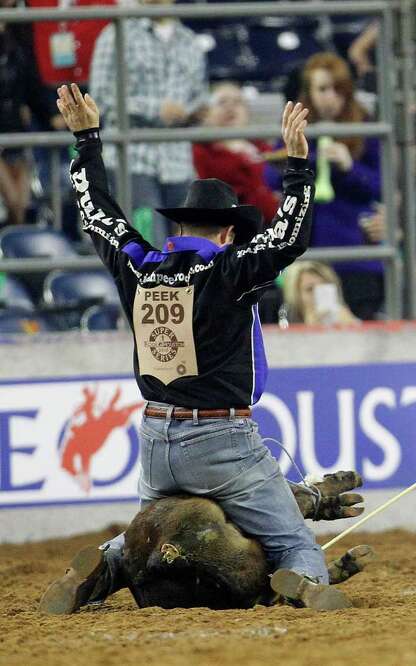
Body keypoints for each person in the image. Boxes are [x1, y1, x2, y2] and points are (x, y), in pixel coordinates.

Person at [42, 84, 351, 611]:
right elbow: (289, 239)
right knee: (293, 542)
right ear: (229, 232)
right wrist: (298, 168)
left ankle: (107, 563)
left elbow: (98, 216)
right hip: (221, 437)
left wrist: (86, 143)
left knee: (152, 530)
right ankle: (299, 581)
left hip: (155, 436)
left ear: (178, 226)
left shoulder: (140, 265)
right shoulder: (230, 269)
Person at [89, 0, 207, 244]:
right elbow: (99, 98)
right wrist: (155, 109)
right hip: (133, 157)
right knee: (148, 242)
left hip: (178, 159)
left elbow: (199, 93)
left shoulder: (189, 40)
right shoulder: (116, 34)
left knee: (191, 246)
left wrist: (194, 111)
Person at [276, 52, 383, 320]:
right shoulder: (294, 125)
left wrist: (350, 168)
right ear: (309, 91)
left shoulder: (367, 127)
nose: (331, 97)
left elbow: (381, 186)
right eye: (323, 89)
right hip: (309, 259)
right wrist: (306, 159)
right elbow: (273, 179)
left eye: (338, 89)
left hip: (357, 257)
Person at [0, 0, 63, 226]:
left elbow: (32, 80)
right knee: (15, 201)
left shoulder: (21, 27)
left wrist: (50, 114)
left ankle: (15, 253)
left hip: (17, 127)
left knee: (21, 205)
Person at [191, 83, 281, 223]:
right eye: (222, 102)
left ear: (247, 112)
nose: (230, 108)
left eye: (237, 102)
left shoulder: (264, 148)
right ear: (207, 114)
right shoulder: (201, 151)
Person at [280, 260, 360, 327]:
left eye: (323, 286)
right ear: (296, 295)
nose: (318, 294)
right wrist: (309, 329)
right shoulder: (287, 324)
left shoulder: (346, 317)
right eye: (310, 289)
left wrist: (352, 326)